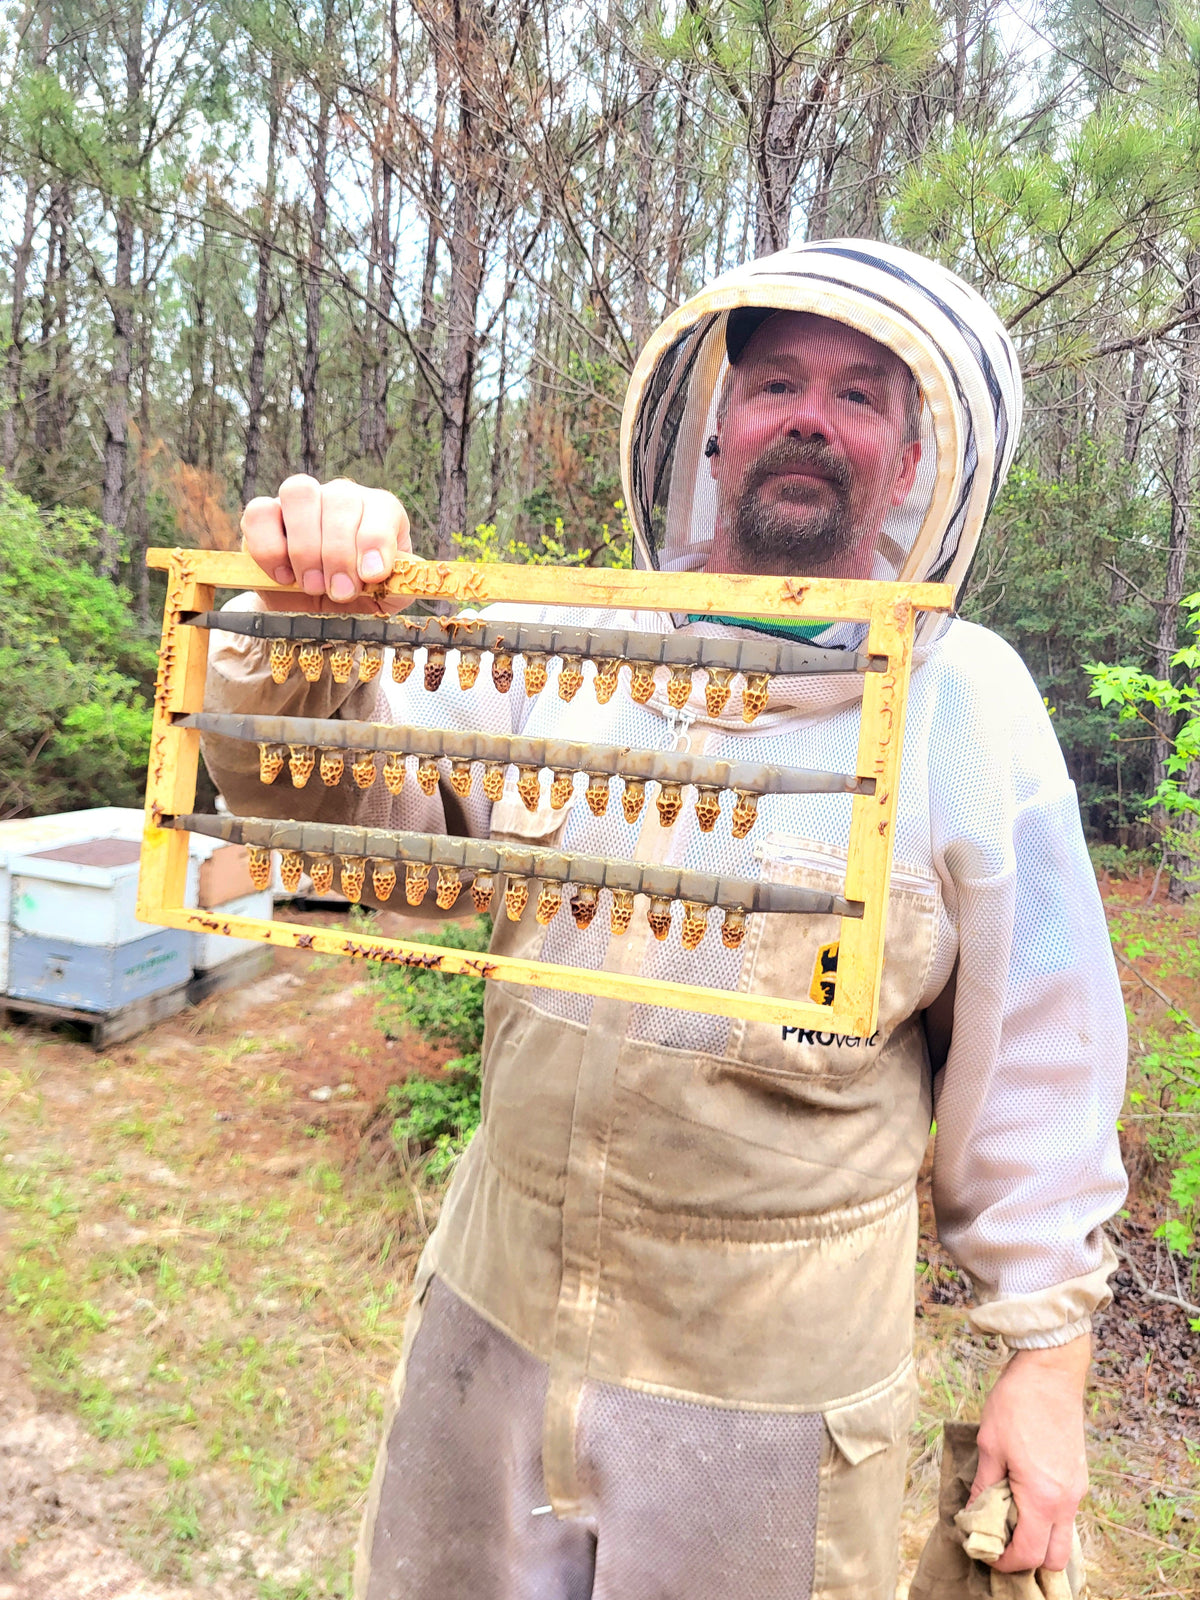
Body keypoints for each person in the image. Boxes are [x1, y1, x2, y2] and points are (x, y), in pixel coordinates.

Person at [207, 240, 1127, 1600]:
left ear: (916, 452)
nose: (812, 415)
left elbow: (1043, 1056)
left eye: (862, 394)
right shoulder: (561, 647)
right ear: (713, 422)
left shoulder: (971, 707)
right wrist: (298, 635)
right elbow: (352, 834)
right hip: (497, 1320)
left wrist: (1047, 1363)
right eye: (777, 383)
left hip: (767, 1383)